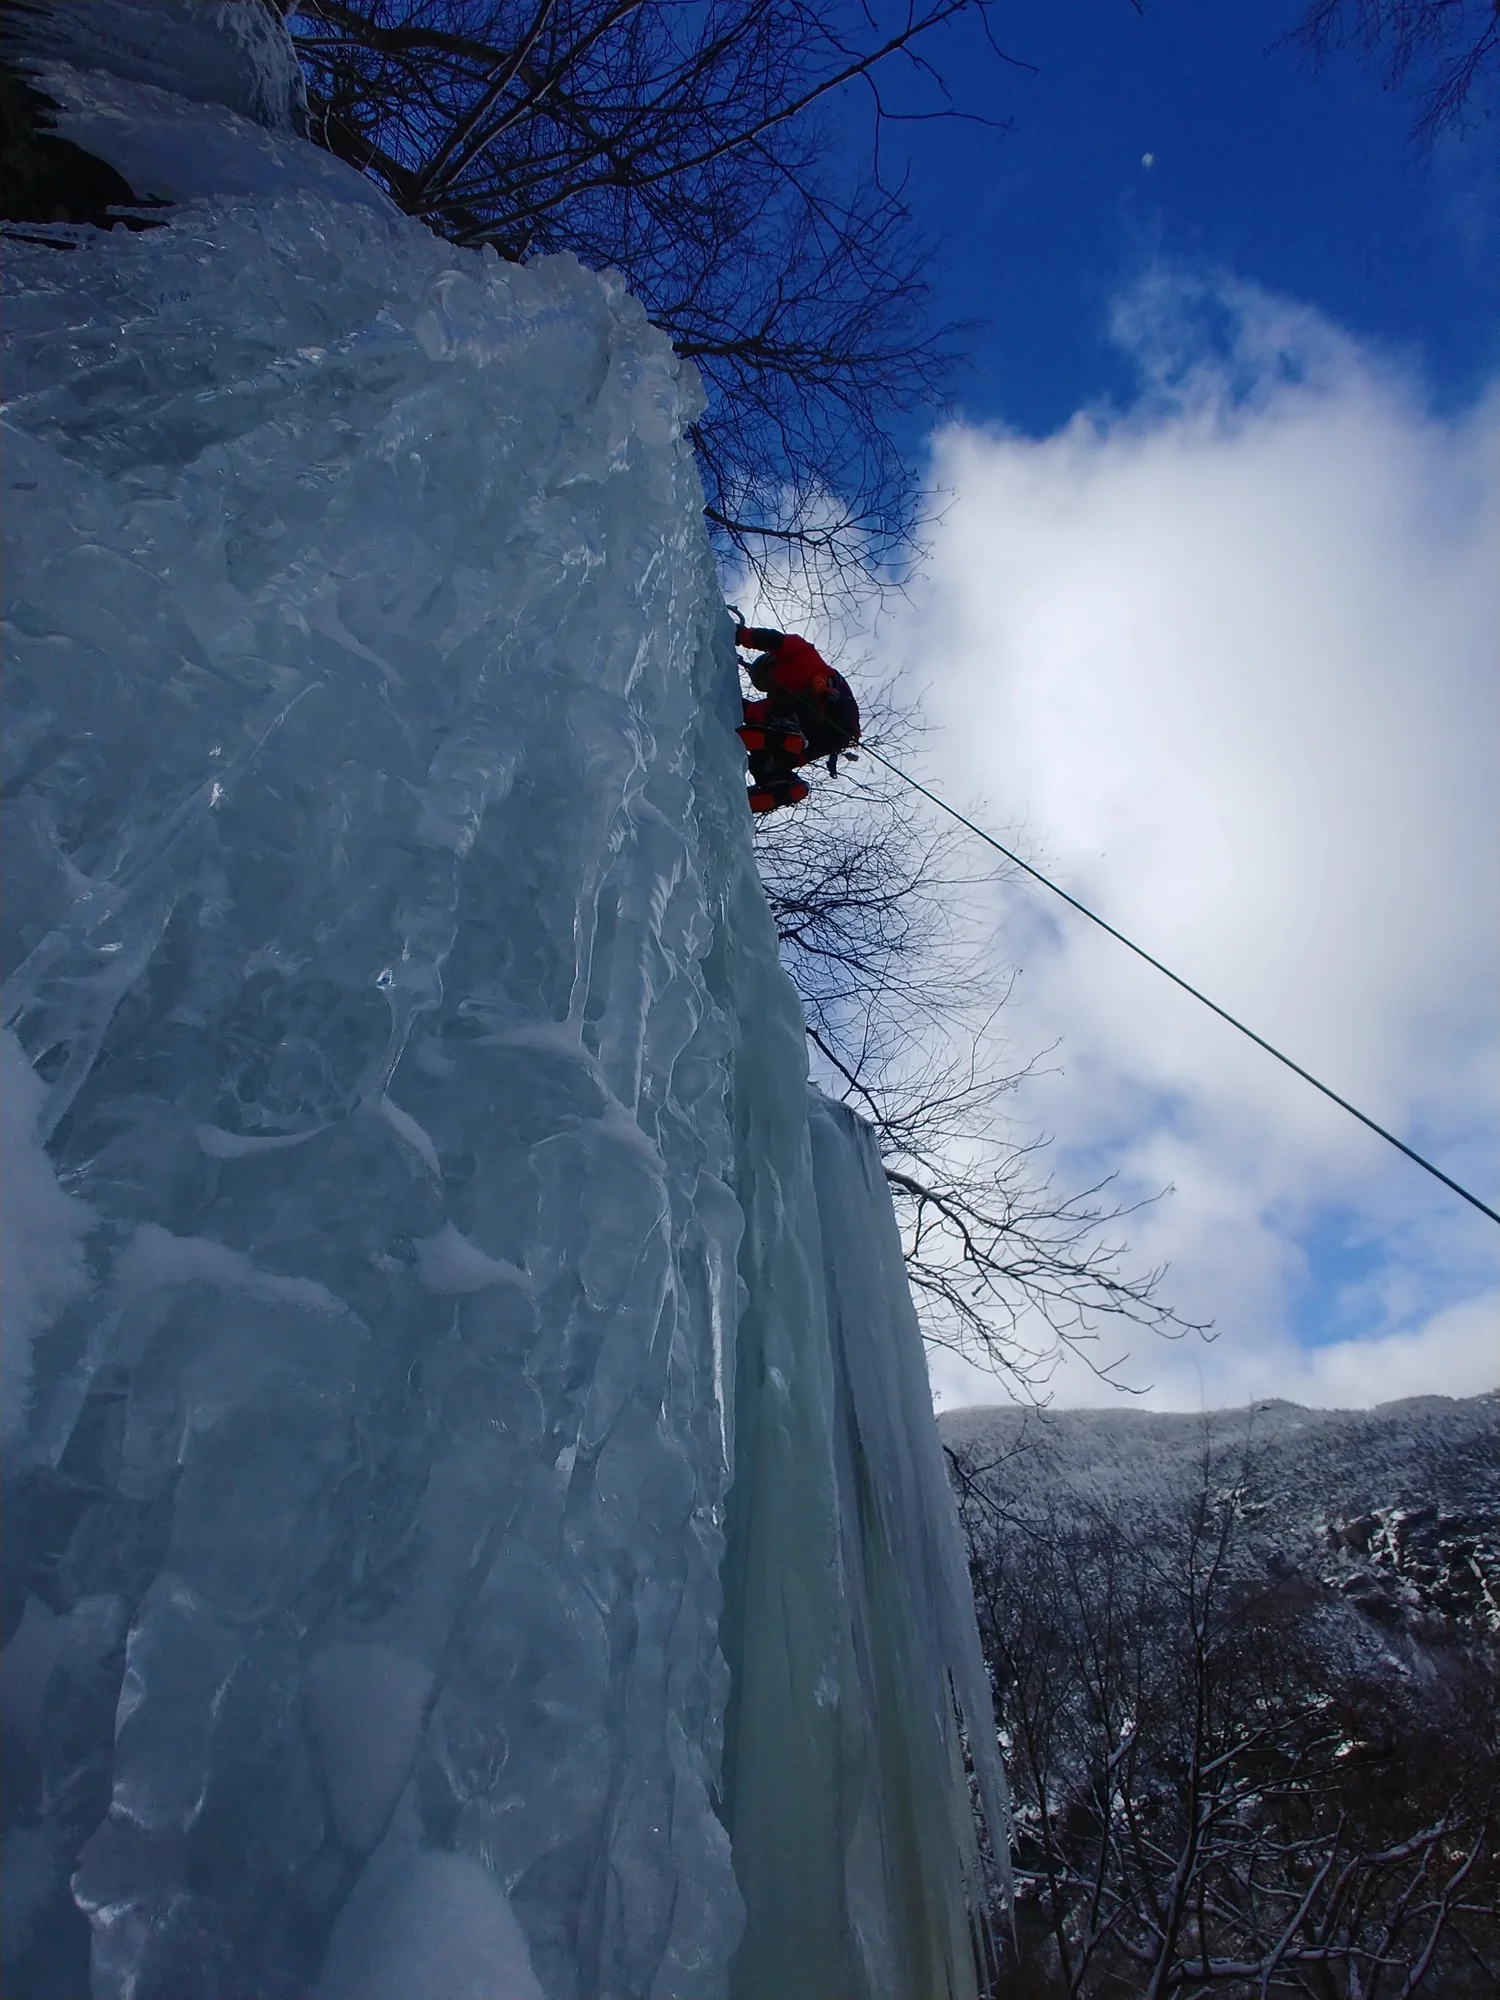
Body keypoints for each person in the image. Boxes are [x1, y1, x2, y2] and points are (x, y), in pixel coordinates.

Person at [733, 622, 861, 813]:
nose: (767, 687)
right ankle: (784, 786)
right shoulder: (777, 698)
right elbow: (747, 711)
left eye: (763, 680)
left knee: (782, 710)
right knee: (763, 759)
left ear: (770, 664)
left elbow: (772, 639)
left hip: (827, 713)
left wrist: (739, 635)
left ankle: (787, 735)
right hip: (827, 738)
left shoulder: (799, 658)